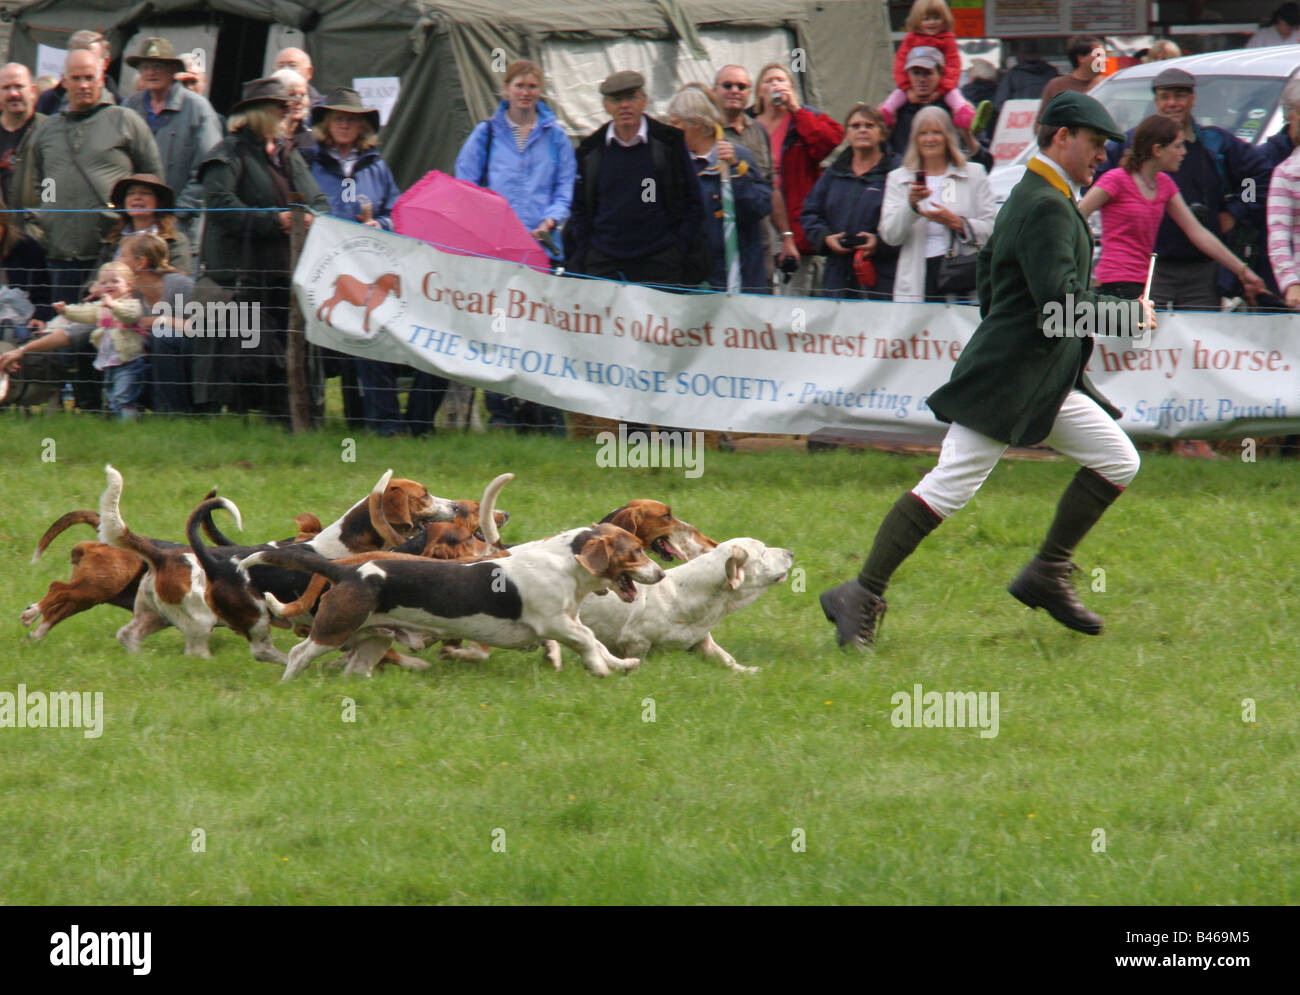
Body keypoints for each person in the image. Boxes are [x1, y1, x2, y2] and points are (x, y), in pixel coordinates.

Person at [819, 92, 1153, 651]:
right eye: (1095, 145)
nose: (1101, 157)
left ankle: (1047, 571)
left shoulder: (1040, 195)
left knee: (1118, 460)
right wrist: (1126, 312)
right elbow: (1054, 305)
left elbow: (999, 290)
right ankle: (861, 592)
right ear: (1061, 137)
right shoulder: (1045, 204)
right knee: (949, 487)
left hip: (1038, 380)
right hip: (1009, 383)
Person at [1083, 113, 1265, 461]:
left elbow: (1198, 234)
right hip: (1115, 283)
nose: (1184, 151)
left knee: (1147, 361)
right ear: (1157, 149)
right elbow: (1077, 214)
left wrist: (1242, 270)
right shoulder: (1117, 181)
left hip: (1144, 285)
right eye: (1178, 145)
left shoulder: (1165, 186)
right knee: (1114, 364)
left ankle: (1179, 439)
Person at [27, 47, 161, 412]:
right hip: (62, 254)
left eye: (90, 77)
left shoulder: (125, 120)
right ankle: (87, 409)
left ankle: (121, 406)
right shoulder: (47, 130)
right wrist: (45, 227)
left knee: (118, 332)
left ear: (102, 78)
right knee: (72, 335)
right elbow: (34, 188)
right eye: (77, 78)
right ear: (64, 81)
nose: (84, 85)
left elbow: (151, 176)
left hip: (112, 255)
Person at [196, 76, 329, 420]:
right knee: (251, 352)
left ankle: (289, 418)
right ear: (259, 114)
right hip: (242, 274)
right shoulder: (226, 154)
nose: (287, 115)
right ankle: (244, 420)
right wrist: (276, 220)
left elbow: (318, 201)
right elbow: (222, 206)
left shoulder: (286, 155)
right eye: (279, 109)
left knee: (291, 345)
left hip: (287, 273)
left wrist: (310, 218)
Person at [454, 59, 576, 432]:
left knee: (541, 331)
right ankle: (502, 413)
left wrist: (550, 220)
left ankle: (544, 415)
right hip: (496, 250)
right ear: (505, 90)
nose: (525, 93)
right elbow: (465, 184)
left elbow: (565, 186)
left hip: (541, 248)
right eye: (519, 86)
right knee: (499, 328)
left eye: (532, 87)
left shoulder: (555, 136)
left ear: (540, 92)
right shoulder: (486, 133)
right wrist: (490, 221)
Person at [308, 86, 437, 435]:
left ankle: (390, 424)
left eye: (351, 120)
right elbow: (304, 205)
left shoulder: (376, 166)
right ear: (327, 123)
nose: (345, 125)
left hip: (370, 267)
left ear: (363, 126)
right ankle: (371, 421)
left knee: (374, 338)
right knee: (354, 341)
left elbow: (397, 213)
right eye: (338, 119)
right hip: (325, 267)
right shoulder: (310, 163)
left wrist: (378, 223)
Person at [1099, 68, 1270, 310]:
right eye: (1164, 96)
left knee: (1198, 342)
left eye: (1179, 96)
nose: (1172, 104)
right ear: (1155, 101)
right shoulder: (1129, 145)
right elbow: (1092, 179)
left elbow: (1256, 175)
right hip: (1147, 268)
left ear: (1192, 99)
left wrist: (1237, 210)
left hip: (1202, 269)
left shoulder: (1216, 144)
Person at [564, 69, 705, 289]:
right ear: (606, 107)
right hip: (604, 261)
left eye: (631, 98)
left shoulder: (669, 142)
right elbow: (580, 208)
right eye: (616, 100)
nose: (624, 106)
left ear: (644, 101)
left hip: (659, 260)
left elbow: (693, 201)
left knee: (657, 324)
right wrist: (587, 250)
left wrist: (678, 248)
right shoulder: (590, 150)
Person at [878, 106, 995, 303]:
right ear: (914, 139)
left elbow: (993, 230)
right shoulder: (899, 178)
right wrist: (911, 207)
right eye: (923, 133)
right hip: (917, 277)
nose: (929, 139)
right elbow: (890, 236)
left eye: (936, 132)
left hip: (961, 276)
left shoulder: (974, 174)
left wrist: (958, 223)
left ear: (948, 136)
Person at [749, 62, 844, 295]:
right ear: (759, 91)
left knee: (794, 294)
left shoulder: (804, 117)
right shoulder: (747, 123)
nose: (775, 85)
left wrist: (797, 109)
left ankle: (796, 332)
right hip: (757, 216)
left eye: (781, 80)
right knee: (758, 287)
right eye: (769, 81)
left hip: (794, 218)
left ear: (791, 88)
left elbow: (829, 142)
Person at [666, 86, 770, 293]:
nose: (670, 130)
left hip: (736, 277)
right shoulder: (671, 161)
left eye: (675, 124)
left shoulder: (737, 156)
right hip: (688, 278)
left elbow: (759, 206)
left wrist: (736, 171)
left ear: (695, 123)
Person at [121, 37, 222, 233]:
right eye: (146, 67)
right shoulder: (128, 108)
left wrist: (178, 214)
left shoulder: (198, 109)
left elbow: (207, 170)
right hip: (135, 223)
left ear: (173, 71)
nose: (151, 72)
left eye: (158, 67)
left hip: (181, 225)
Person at [800, 103, 900, 300]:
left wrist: (879, 244)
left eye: (869, 125)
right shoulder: (834, 172)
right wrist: (825, 238)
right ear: (847, 133)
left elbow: (909, 222)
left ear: (882, 133)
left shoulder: (897, 172)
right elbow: (810, 212)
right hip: (837, 275)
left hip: (882, 275)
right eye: (855, 126)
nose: (862, 130)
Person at [713, 65, 794, 278]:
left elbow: (770, 187)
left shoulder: (759, 131)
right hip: (719, 245)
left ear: (750, 93)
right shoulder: (705, 130)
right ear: (714, 90)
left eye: (741, 86)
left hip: (759, 245)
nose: (734, 91)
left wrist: (786, 236)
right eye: (727, 85)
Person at [57, 261, 146, 419]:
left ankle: (130, 423)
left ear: (129, 285)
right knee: (111, 395)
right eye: (104, 283)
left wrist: (113, 305)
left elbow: (130, 315)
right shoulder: (101, 306)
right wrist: (66, 311)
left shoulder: (132, 303)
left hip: (129, 362)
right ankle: (119, 421)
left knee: (124, 396)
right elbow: (85, 312)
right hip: (109, 361)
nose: (109, 285)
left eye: (115, 281)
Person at [883, 47, 992, 172]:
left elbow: (985, 165)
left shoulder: (959, 109)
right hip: (908, 184)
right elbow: (881, 158)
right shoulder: (897, 110)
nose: (922, 79)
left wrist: (967, 136)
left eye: (927, 73)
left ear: (940, 73)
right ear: (907, 75)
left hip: (951, 184)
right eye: (916, 73)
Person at [879, 0, 977, 132]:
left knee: (954, 95)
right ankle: (886, 112)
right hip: (908, 90)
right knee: (897, 94)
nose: (931, 22)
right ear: (917, 21)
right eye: (926, 19)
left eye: (936, 18)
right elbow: (900, 64)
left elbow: (953, 67)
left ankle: (964, 114)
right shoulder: (911, 39)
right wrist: (907, 88)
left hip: (944, 87)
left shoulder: (947, 40)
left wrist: (941, 90)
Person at [125, 231, 195, 414]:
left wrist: (159, 320)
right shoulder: (128, 291)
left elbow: (201, 328)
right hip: (153, 355)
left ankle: (170, 411)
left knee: (162, 335)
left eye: (124, 256)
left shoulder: (180, 285)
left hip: (191, 354)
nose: (118, 261)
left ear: (141, 262)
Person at [99, 173, 192, 273]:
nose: (137, 197)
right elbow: (93, 281)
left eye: (145, 193)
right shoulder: (113, 241)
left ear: (159, 202)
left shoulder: (175, 241)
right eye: (130, 193)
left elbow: (180, 283)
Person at [35, 30, 121, 115]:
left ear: (105, 62)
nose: (82, 61)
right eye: (76, 56)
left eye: (90, 57)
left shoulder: (121, 107)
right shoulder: (49, 101)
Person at [0, 64, 43, 208]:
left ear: (33, 91)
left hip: (32, 226)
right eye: (6, 88)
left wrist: (44, 218)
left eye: (19, 86)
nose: (13, 94)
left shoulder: (50, 130)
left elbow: (53, 180)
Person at [1038, 36, 1106, 109]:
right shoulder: (1056, 86)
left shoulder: (1106, 84)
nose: (1105, 60)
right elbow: (1043, 118)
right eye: (1098, 55)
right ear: (1081, 58)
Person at [274, 68, 315, 152]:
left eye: (303, 95)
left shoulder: (309, 137)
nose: (299, 101)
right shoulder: (267, 136)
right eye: (292, 95)